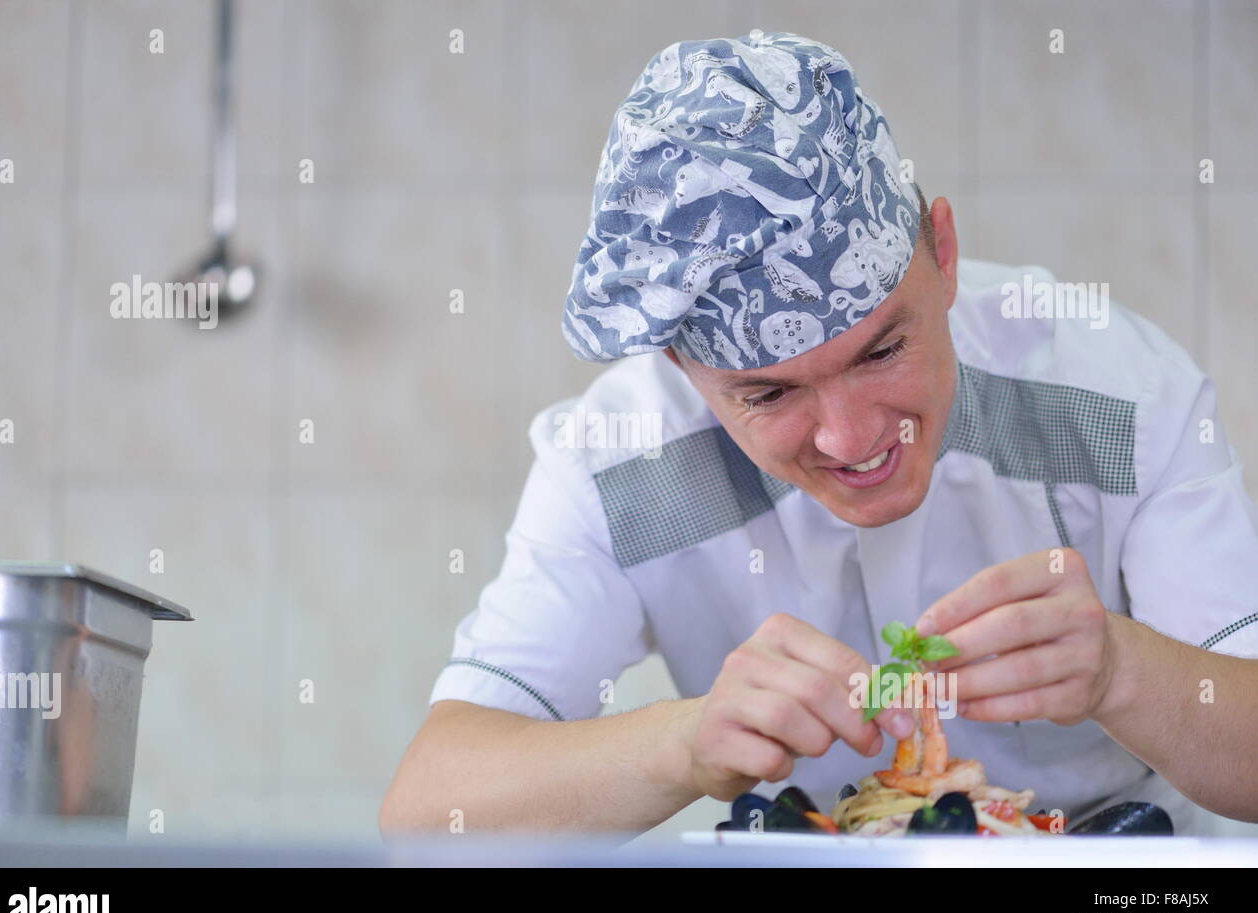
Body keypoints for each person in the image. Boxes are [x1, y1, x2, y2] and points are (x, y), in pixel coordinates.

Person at [379, 29, 1258, 836]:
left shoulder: (1116, 395)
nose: (848, 437)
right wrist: (685, 742)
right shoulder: (621, 462)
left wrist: (1122, 673)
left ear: (943, 254)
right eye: (768, 394)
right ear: (683, 371)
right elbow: (427, 811)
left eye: (882, 350)